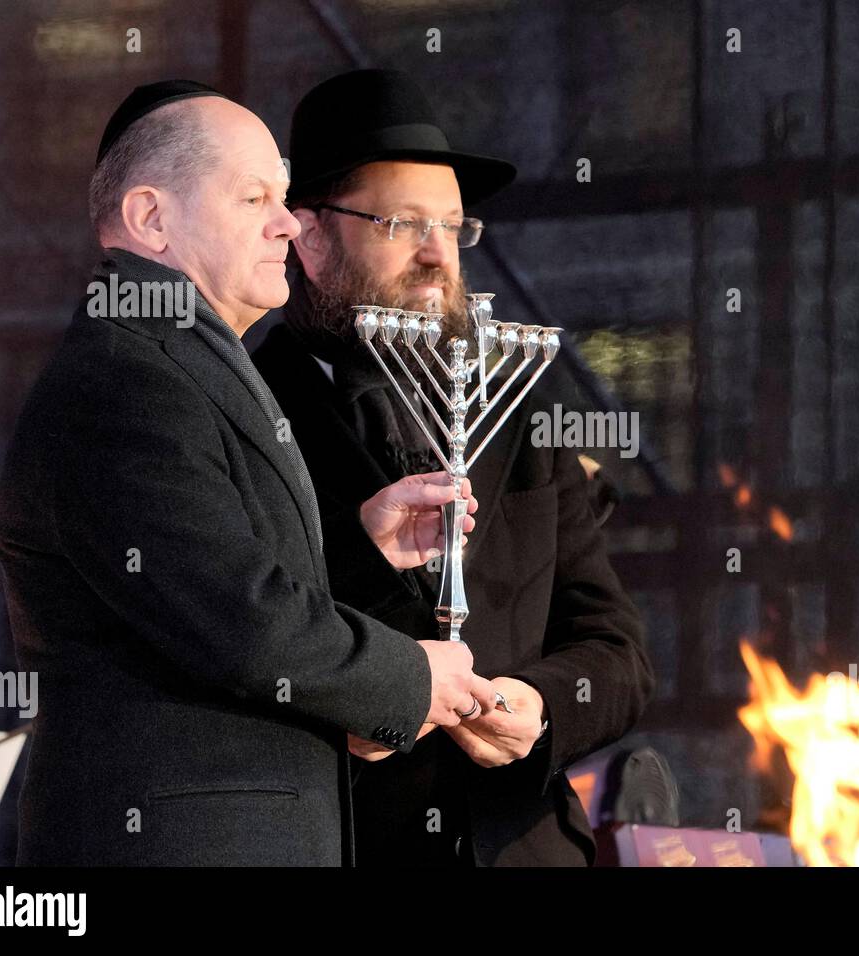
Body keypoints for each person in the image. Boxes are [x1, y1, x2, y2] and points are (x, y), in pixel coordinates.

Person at [0, 80, 496, 865]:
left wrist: (357, 553)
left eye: (287, 196)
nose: (288, 223)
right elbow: (237, 619)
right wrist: (410, 678)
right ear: (150, 218)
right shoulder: (128, 376)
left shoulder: (179, 360)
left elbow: (203, 589)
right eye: (254, 196)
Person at [251, 69, 654, 866]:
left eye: (454, 227)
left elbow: (619, 652)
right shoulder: (249, 413)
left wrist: (539, 708)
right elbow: (250, 646)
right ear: (311, 235)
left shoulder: (515, 406)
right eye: (403, 224)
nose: (439, 256)